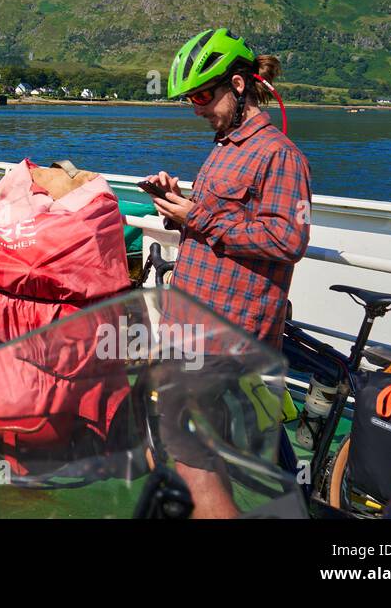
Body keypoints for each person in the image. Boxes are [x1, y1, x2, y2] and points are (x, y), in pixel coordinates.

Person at [142, 27, 312, 517]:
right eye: (188, 98)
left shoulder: (279, 155)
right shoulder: (226, 145)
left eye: (200, 95)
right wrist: (177, 200)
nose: (195, 106)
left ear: (238, 86)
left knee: (196, 466)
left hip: (227, 340)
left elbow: (288, 239)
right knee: (174, 454)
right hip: (191, 327)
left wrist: (194, 216)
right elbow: (222, 222)